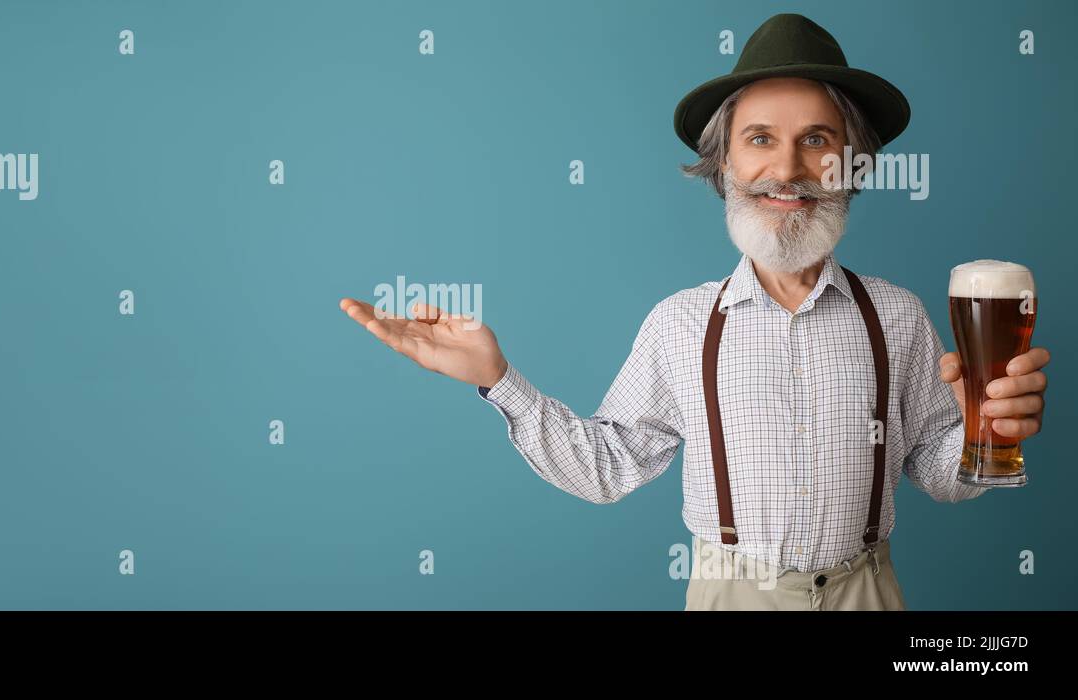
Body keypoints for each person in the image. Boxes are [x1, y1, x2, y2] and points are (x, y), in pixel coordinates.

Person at [338, 14, 1049, 610]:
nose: (789, 169)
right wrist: (496, 378)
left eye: (817, 139)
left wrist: (986, 437)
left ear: (852, 164)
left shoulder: (897, 316)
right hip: (727, 595)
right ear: (726, 165)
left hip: (867, 591)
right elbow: (608, 468)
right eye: (761, 138)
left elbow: (935, 467)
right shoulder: (680, 324)